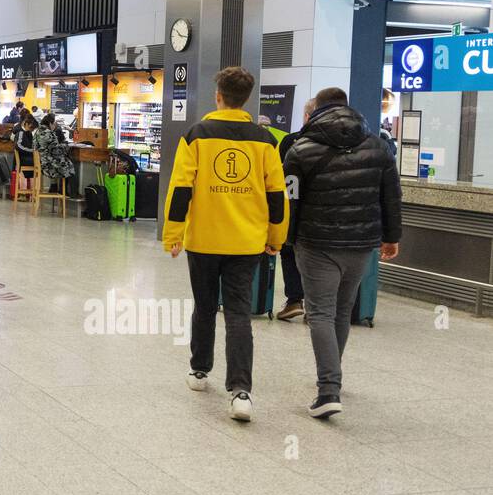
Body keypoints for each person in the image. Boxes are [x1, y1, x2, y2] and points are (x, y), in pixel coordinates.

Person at [162, 66, 288, 423]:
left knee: (204, 306)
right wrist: (276, 237)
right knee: (238, 312)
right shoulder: (265, 140)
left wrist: (173, 235)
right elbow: (278, 195)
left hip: (203, 239)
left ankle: (200, 371)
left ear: (218, 95)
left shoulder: (197, 134)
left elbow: (180, 189)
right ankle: (241, 392)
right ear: (246, 98)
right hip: (247, 242)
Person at [283, 87, 402, 419]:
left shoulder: (300, 150)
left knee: (319, 312)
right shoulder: (378, 148)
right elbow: (391, 197)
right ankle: (333, 378)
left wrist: (285, 241)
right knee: (341, 310)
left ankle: (328, 390)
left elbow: (289, 201)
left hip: (316, 242)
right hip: (361, 244)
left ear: (316, 111)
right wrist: (391, 237)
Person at [274, 103, 310, 321]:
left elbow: (279, 177)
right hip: (324, 213)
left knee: (289, 252)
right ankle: (317, 306)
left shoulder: (290, 141)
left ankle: (295, 300)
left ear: (306, 115)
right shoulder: (348, 143)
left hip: (293, 205)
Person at [35, 113, 75, 189]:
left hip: (41, 161)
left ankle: (55, 187)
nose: (55, 126)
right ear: (50, 123)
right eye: (54, 124)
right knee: (69, 166)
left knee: (66, 162)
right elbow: (56, 150)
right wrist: (65, 146)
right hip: (47, 164)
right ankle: (67, 191)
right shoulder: (49, 133)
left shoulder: (38, 131)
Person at [14, 111, 38, 186]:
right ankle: (34, 191)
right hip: (23, 159)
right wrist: (32, 151)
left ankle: (33, 191)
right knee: (41, 163)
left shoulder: (28, 133)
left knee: (39, 162)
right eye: (31, 127)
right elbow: (18, 146)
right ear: (26, 124)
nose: (32, 130)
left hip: (27, 158)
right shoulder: (20, 133)